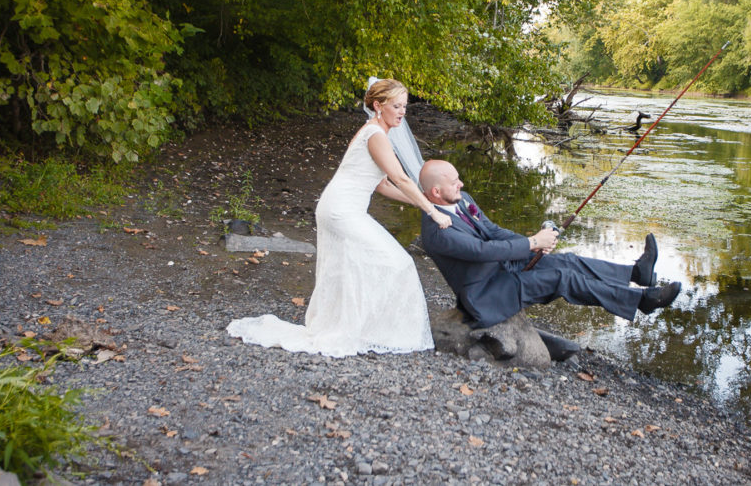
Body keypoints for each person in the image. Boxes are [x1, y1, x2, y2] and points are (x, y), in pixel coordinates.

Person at [227, 79, 453, 356]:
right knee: (399, 262)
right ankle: (371, 330)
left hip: (342, 208)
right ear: (378, 106)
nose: (402, 111)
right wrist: (432, 211)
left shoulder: (377, 132)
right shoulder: (375, 136)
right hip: (341, 210)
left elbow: (381, 185)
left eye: (405, 106)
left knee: (351, 267)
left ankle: (356, 325)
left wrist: (423, 202)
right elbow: (399, 178)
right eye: (396, 106)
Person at [418, 159, 681, 328]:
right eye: (454, 183)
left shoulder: (461, 199)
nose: (461, 184)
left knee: (568, 261)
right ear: (436, 193)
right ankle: (642, 301)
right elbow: (483, 251)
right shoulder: (437, 231)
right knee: (562, 278)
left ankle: (636, 273)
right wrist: (533, 242)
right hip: (488, 294)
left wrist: (534, 242)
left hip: (504, 269)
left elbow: (493, 231)